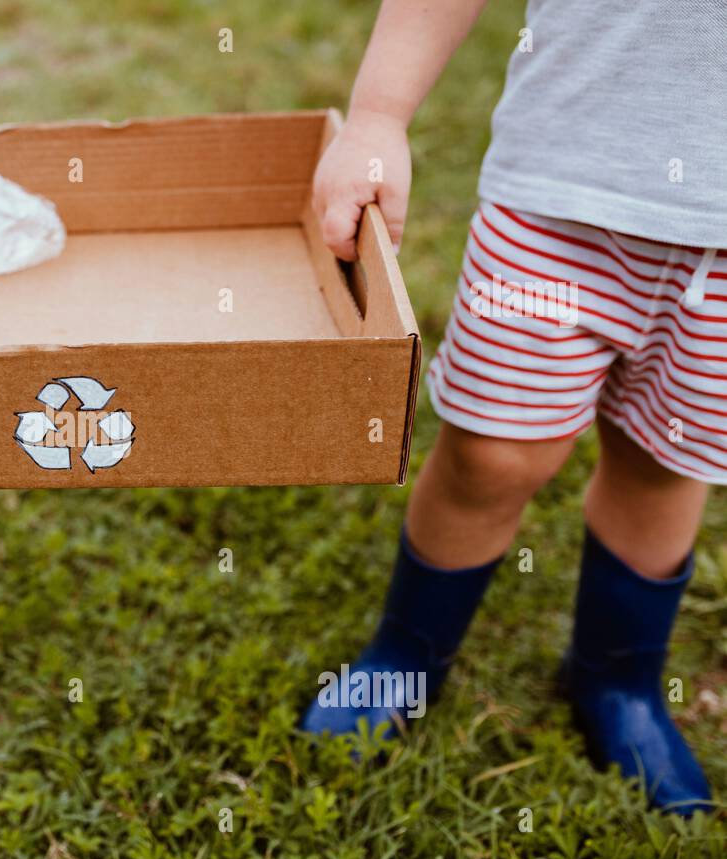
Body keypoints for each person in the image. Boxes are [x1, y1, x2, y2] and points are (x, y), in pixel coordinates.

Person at [301, 0, 724, 815]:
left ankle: (619, 681)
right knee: (493, 453)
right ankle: (408, 654)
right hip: (558, 202)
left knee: (665, 463)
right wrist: (379, 117)